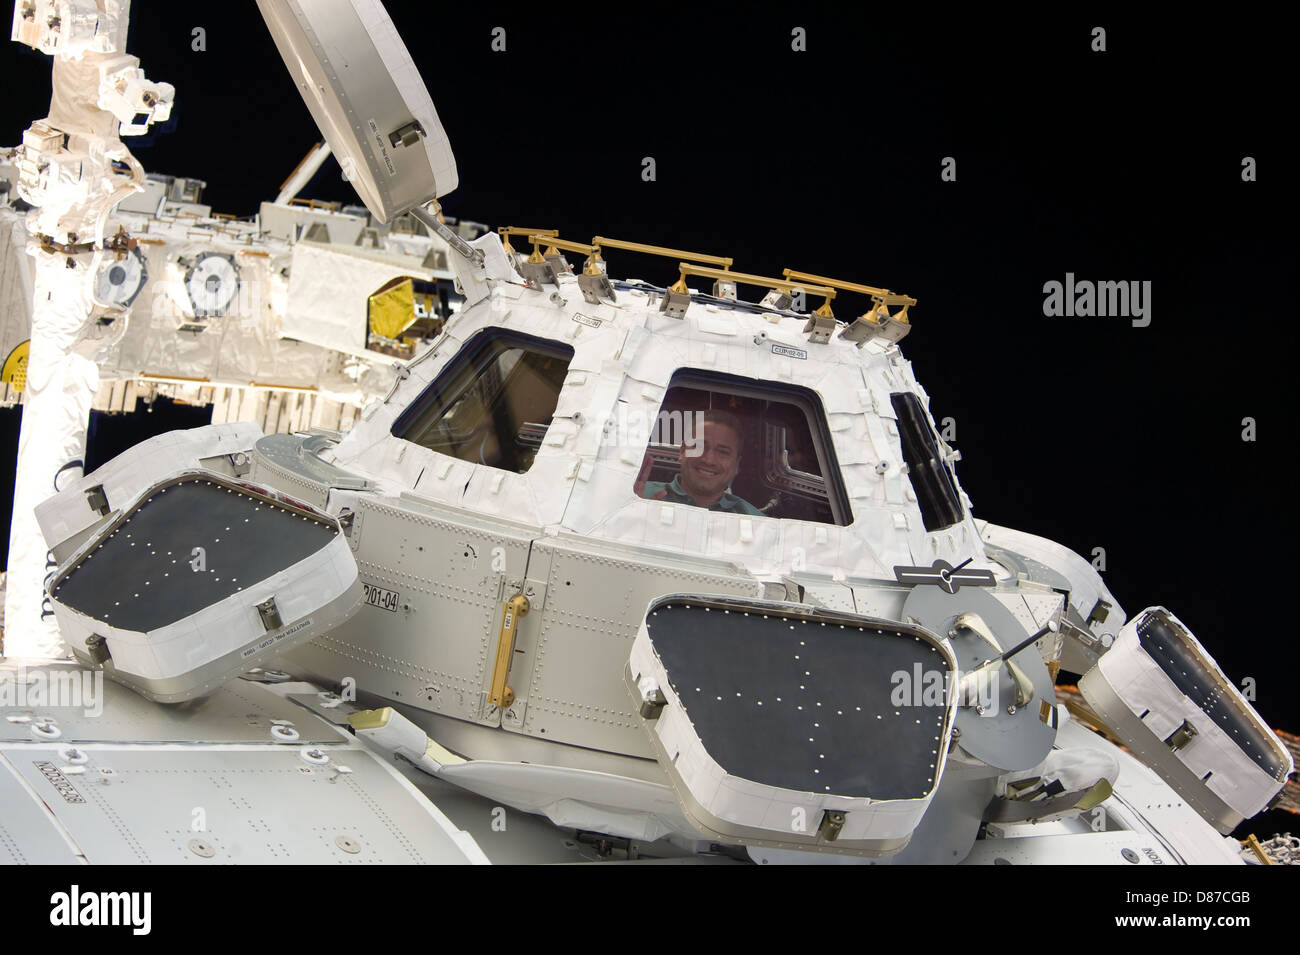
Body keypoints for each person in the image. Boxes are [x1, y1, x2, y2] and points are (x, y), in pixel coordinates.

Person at [639, 410, 764, 515]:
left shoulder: (756, 521)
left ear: (737, 464)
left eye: (723, 452)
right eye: (699, 446)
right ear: (683, 451)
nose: (709, 460)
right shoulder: (639, 497)